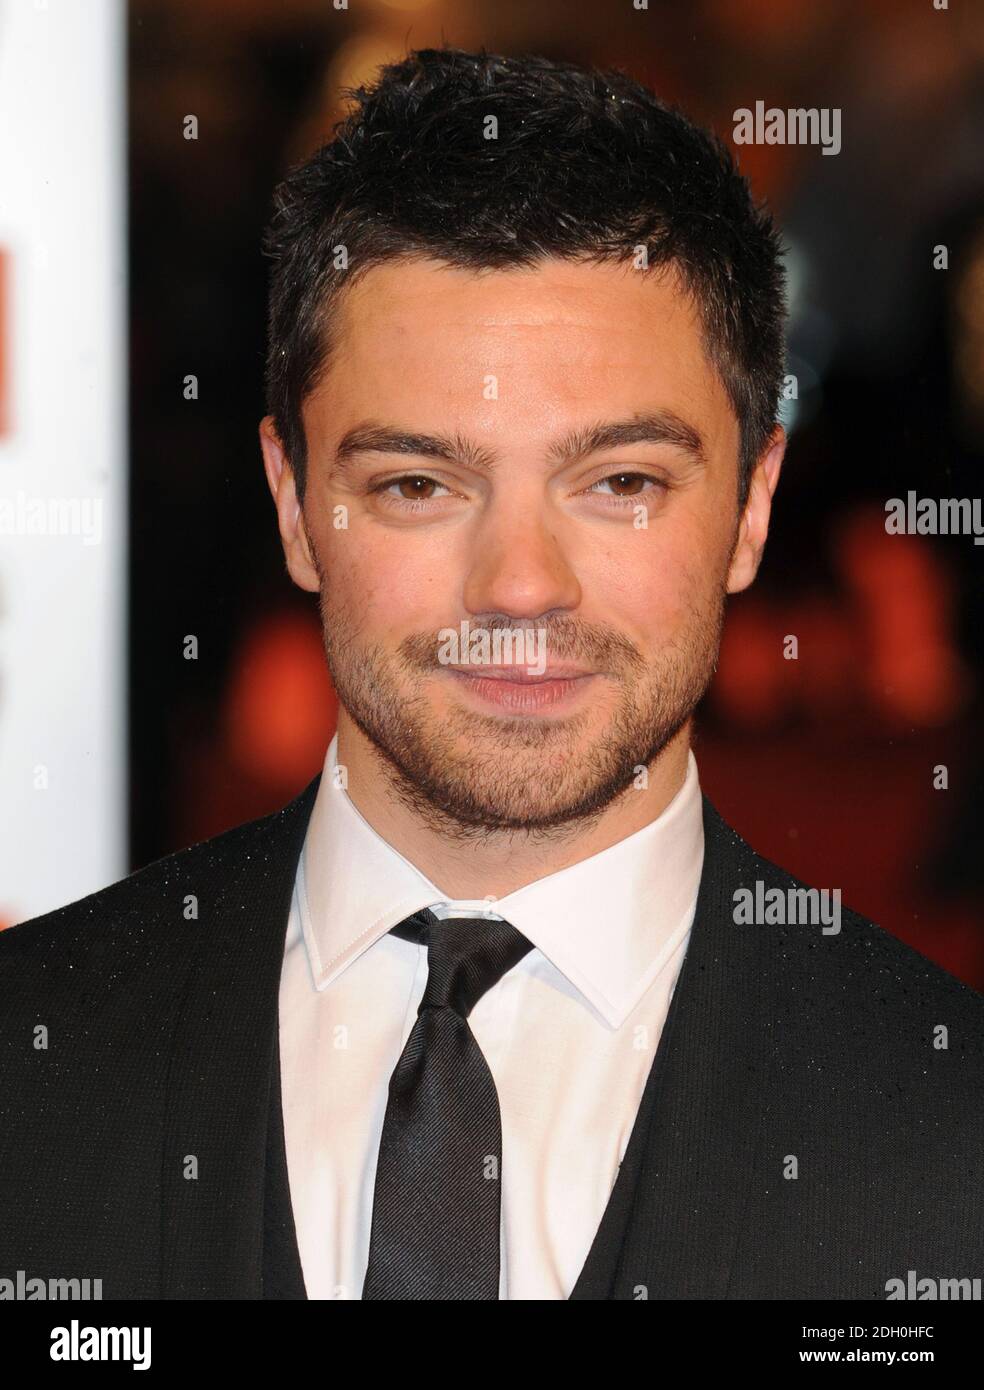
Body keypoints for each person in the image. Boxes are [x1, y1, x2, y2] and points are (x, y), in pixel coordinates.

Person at [1, 46, 981, 1302]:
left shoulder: (952, 1128)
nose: (520, 584)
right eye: (419, 483)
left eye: (620, 481)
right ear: (295, 506)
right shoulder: (32, 1062)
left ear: (752, 507)